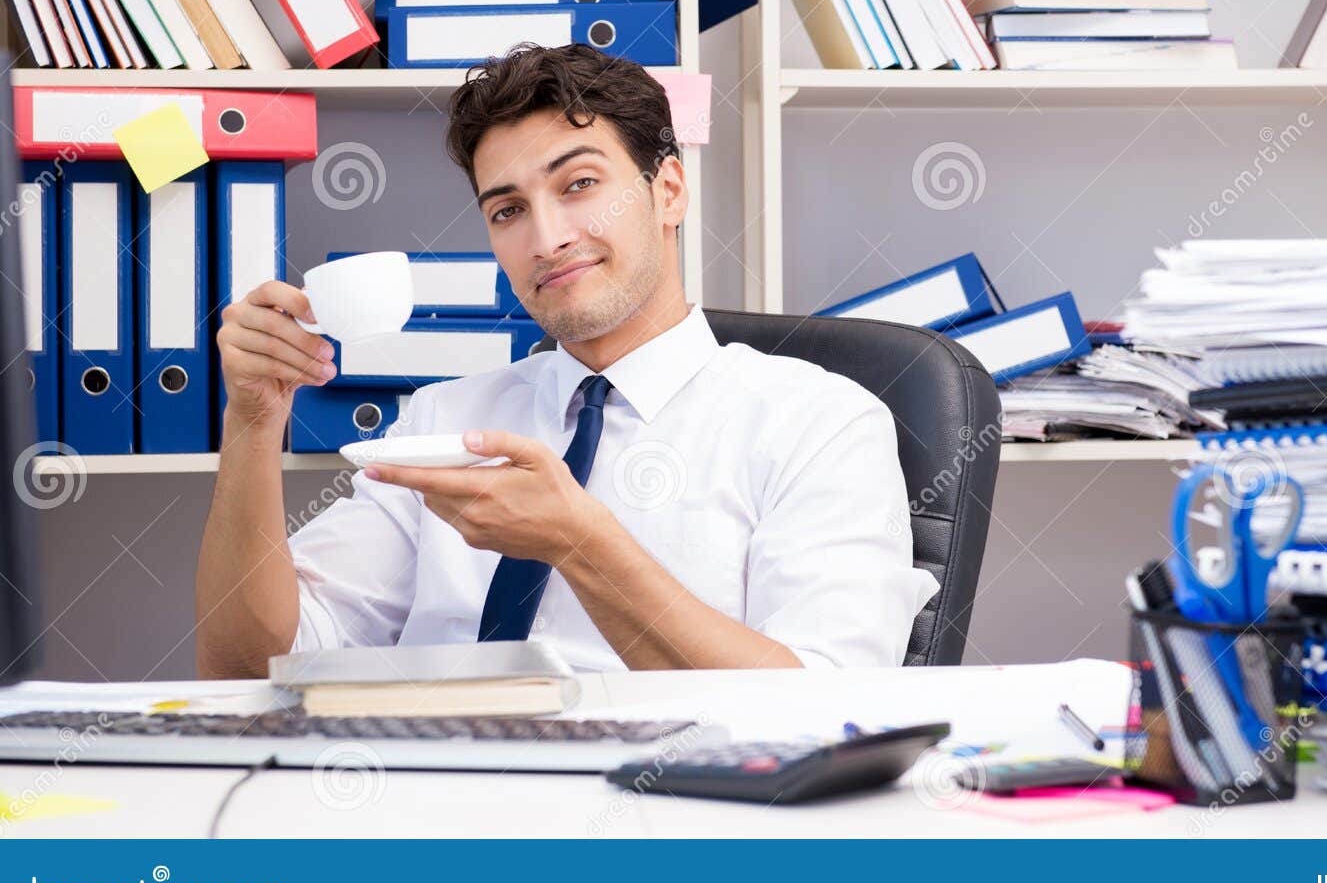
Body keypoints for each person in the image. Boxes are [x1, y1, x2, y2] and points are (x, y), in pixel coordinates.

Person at [195, 43, 937, 678]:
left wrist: (583, 545)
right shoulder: (442, 420)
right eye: (508, 210)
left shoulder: (819, 422)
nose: (546, 238)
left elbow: (826, 707)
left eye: (579, 185)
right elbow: (250, 667)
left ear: (669, 190)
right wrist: (254, 424)